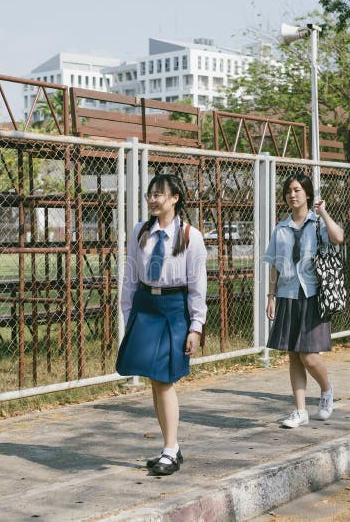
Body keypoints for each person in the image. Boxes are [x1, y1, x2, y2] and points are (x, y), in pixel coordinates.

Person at [116, 173, 207, 476]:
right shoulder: (140, 231)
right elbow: (130, 275)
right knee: (155, 380)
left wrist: (196, 326)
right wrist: (129, 316)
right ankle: (170, 448)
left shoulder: (190, 237)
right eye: (150, 194)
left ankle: (171, 448)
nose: (153, 200)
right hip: (145, 306)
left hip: (173, 309)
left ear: (175, 198)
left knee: (165, 379)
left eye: (159, 194)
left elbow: (197, 286)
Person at [263, 173, 344, 428]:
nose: (292, 195)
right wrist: (271, 296)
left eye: (297, 190)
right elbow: (273, 265)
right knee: (293, 355)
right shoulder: (281, 228)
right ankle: (300, 410)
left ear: (307, 194)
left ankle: (327, 389)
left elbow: (339, 238)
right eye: (288, 191)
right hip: (288, 295)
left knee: (309, 356)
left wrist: (324, 214)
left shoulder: (318, 224)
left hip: (313, 295)